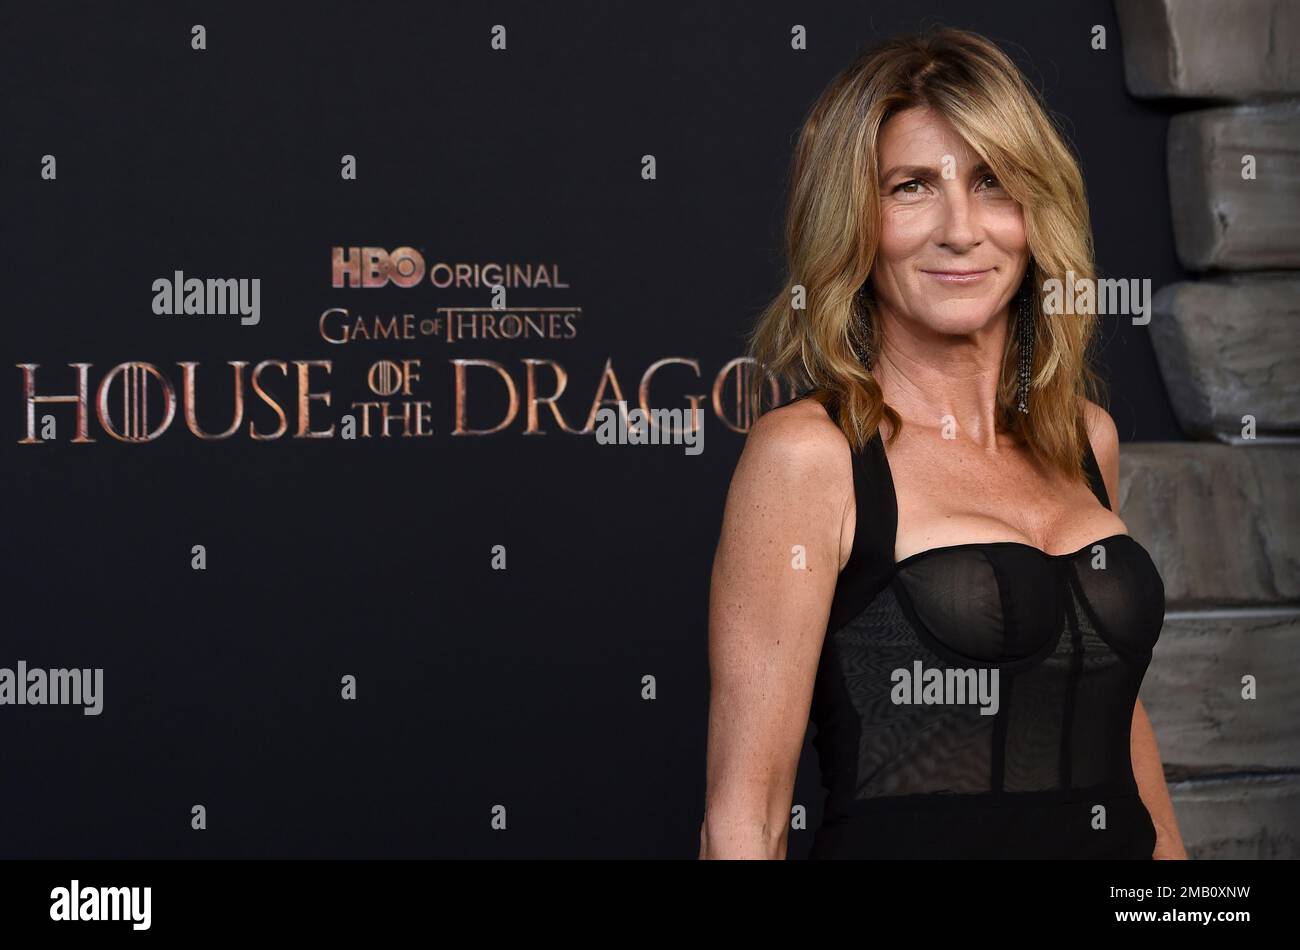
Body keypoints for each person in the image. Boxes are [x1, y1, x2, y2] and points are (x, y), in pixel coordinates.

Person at [700, 27, 1187, 859]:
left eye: (993, 182)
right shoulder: (810, 456)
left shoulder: (1083, 439)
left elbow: (1115, 715)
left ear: (1036, 214)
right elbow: (744, 821)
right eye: (912, 187)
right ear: (854, 221)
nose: (960, 229)